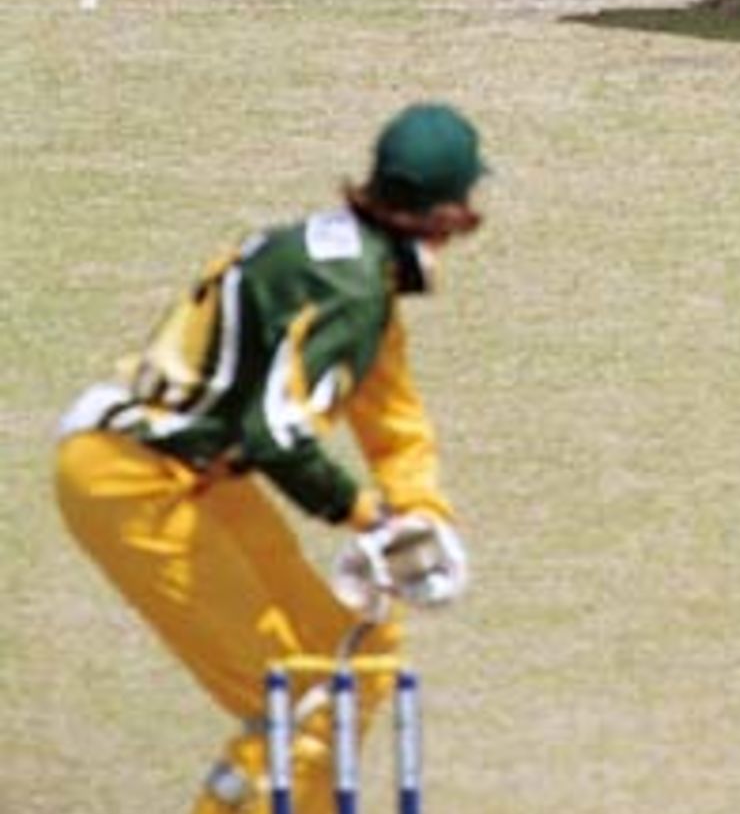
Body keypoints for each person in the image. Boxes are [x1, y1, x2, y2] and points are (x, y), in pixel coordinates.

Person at [54, 103, 490, 814]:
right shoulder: (350, 288)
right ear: (447, 212)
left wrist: (422, 514)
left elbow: (392, 417)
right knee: (297, 695)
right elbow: (276, 435)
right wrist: (369, 518)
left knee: (355, 654)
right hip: (132, 474)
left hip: (192, 472)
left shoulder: (347, 266)